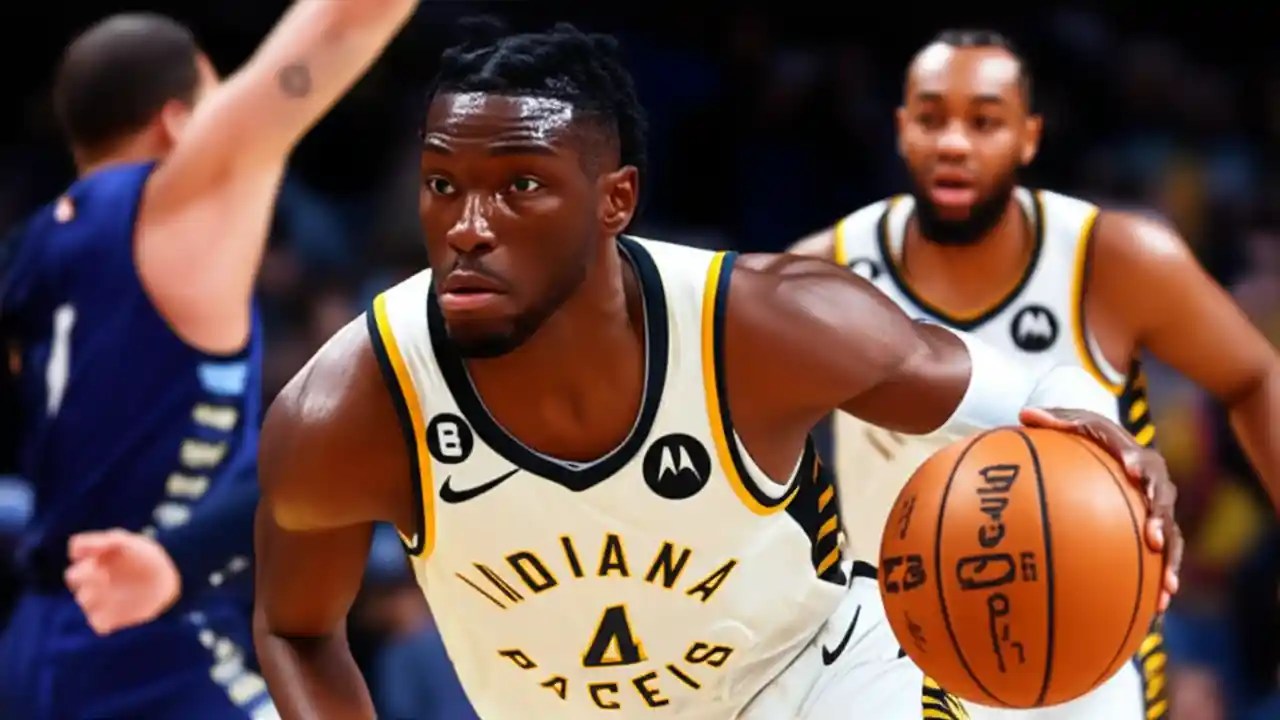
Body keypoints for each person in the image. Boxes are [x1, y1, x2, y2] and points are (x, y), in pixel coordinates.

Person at [252, 21, 1182, 719]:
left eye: (520, 185)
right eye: (442, 184)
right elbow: (295, 629)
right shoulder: (350, 407)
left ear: (615, 200)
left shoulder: (762, 326)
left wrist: (1118, 454)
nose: (467, 226)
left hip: (813, 685)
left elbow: (1033, 391)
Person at [789, 28, 1279, 720]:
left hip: (1085, 648)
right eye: (931, 118)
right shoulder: (824, 272)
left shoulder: (1114, 257)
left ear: (1028, 137)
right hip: (897, 649)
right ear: (901, 131)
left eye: (984, 121)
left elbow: (1253, 375)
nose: (954, 142)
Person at [0, 3, 416, 718]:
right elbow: (340, 27)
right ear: (176, 120)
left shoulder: (31, 249)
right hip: (139, 629)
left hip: (40, 629)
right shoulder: (174, 201)